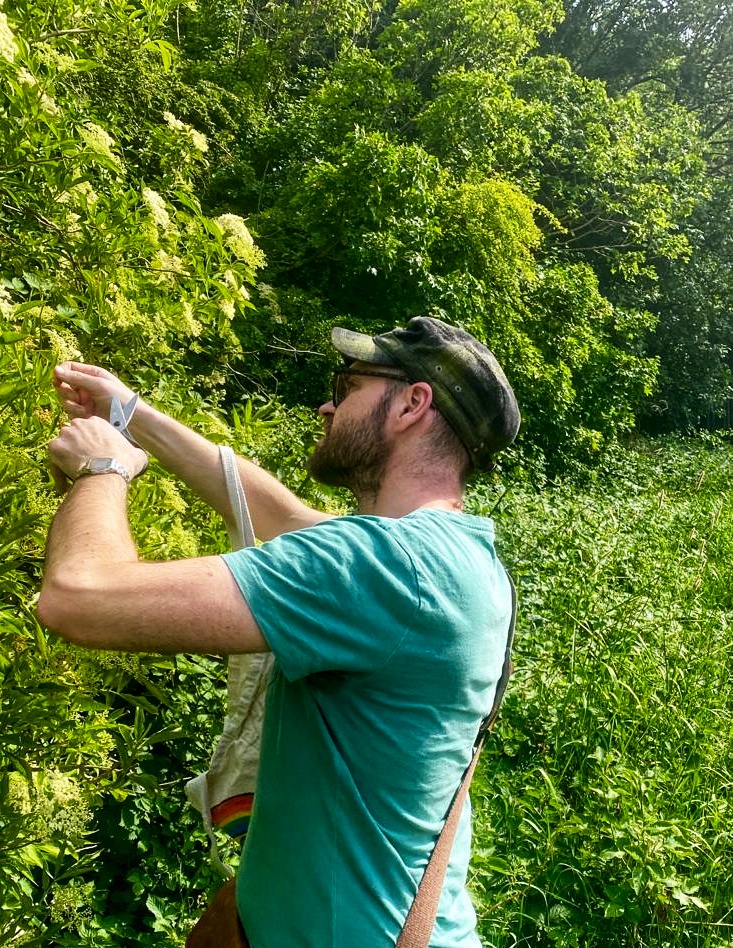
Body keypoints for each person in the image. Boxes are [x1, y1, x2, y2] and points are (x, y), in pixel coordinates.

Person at [39, 315, 520, 948]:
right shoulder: (454, 556)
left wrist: (102, 467)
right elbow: (281, 513)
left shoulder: (381, 567)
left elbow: (79, 597)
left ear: (411, 403)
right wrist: (132, 414)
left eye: (347, 385)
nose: (326, 404)